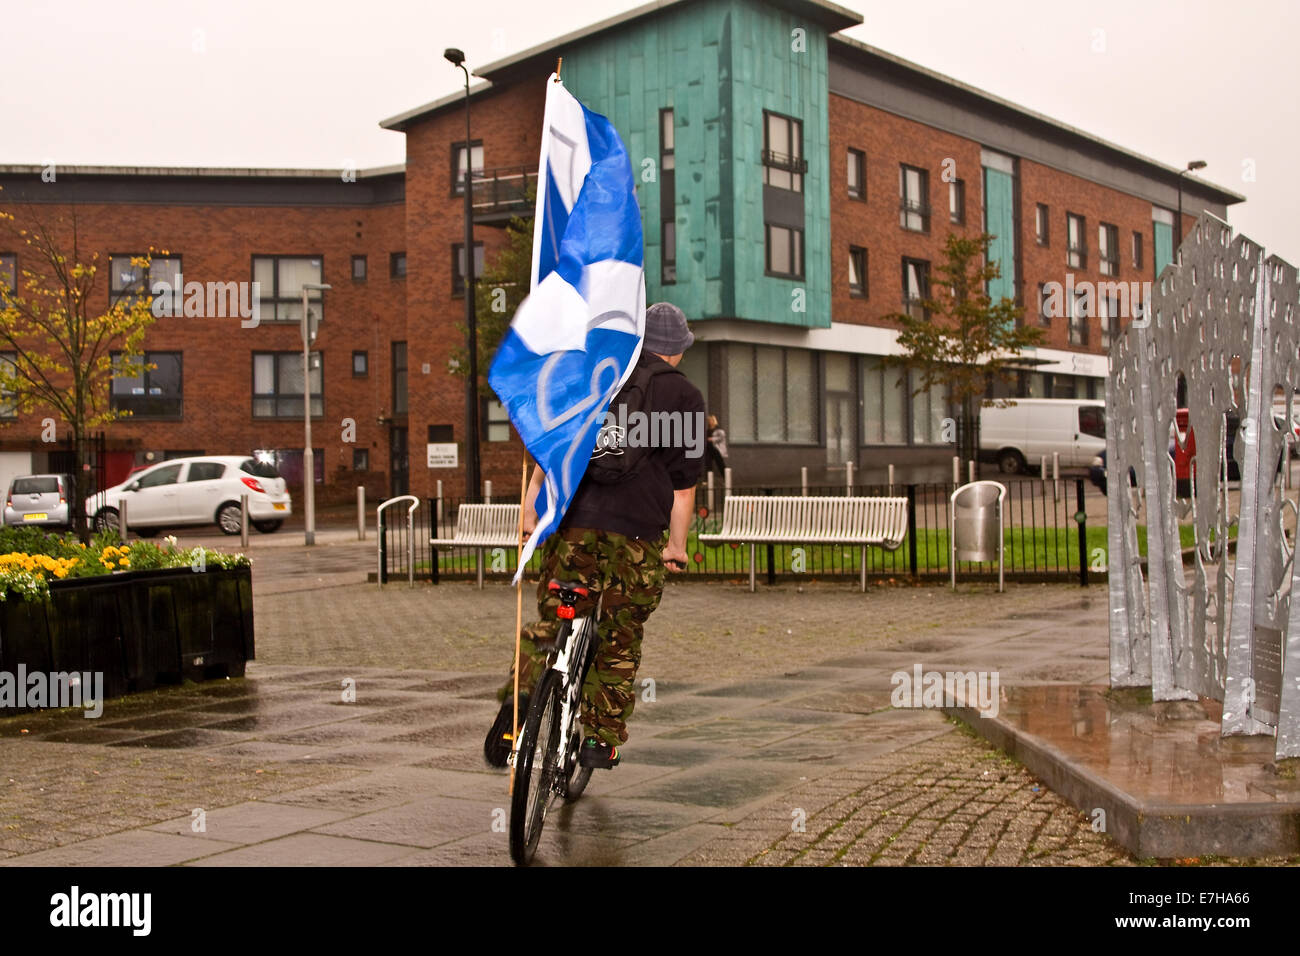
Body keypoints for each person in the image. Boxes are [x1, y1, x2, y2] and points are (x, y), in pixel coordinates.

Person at [484, 302, 705, 770]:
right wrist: (676, 548)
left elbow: (550, 450)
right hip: (638, 535)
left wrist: (529, 513)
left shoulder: (599, 375)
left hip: (575, 525)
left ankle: (516, 710)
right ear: (678, 351)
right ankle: (599, 739)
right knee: (620, 634)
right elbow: (684, 491)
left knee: (551, 622)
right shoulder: (684, 397)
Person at [705, 414, 728, 482]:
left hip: (716, 449)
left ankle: (726, 478)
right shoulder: (708, 430)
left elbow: (721, 437)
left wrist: (712, 439)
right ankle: (708, 480)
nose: (710, 422)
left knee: (720, 464)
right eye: (709, 420)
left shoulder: (718, 429)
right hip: (709, 449)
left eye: (711, 420)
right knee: (708, 465)